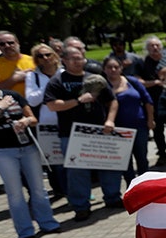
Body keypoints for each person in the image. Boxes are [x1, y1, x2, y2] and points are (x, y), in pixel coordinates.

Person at [0, 61, 61, 238]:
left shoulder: (13, 95)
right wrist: (0, 107)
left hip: (27, 147)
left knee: (39, 189)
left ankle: (48, 223)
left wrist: (25, 122)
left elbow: (32, 118)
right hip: (1, 151)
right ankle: (25, 231)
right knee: (15, 192)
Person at [44, 47, 122, 221]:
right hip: (72, 134)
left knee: (109, 167)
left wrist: (110, 120)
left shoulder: (95, 78)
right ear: (63, 60)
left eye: (80, 58)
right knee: (77, 173)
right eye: (73, 59)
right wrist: (78, 100)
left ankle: (113, 198)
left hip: (100, 132)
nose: (77, 62)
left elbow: (112, 101)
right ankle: (81, 206)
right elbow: (52, 105)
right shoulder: (57, 81)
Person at [23, 43, 66, 199]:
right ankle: (59, 189)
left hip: (67, 120)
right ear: (36, 59)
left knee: (70, 159)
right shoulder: (32, 76)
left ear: (55, 55)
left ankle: (74, 190)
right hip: (46, 123)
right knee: (53, 160)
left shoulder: (65, 72)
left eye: (48, 54)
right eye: (41, 56)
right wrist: (53, 83)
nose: (46, 58)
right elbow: (32, 100)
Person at [103, 56, 153, 185]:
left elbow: (147, 100)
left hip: (139, 125)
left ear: (121, 68)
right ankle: (131, 186)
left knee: (142, 158)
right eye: (109, 67)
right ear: (104, 69)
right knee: (125, 162)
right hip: (118, 129)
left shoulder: (132, 81)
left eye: (116, 67)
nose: (113, 70)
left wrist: (150, 120)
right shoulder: (103, 86)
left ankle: (146, 186)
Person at [136, 37, 166, 166]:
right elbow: (139, 82)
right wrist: (155, 82)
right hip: (153, 102)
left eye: (157, 45)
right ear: (147, 48)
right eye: (151, 46)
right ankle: (162, 154)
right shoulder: (142, 63)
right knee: (157, 130)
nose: (155, 48)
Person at [0, 31, 34, 96]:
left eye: (11, 43)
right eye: (2, 44)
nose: (7, 46)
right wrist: (14, 79)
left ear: (18, 43)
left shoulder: (34, 60)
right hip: (9, 104)